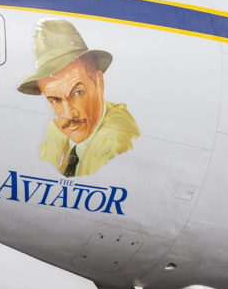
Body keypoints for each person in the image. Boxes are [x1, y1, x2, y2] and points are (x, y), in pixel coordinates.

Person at [18, 19, 139, 178]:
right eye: (55, 100)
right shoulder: (55, 134)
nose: (69, 114)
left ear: (99, 82)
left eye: (77, 93)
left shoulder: (118, 138)